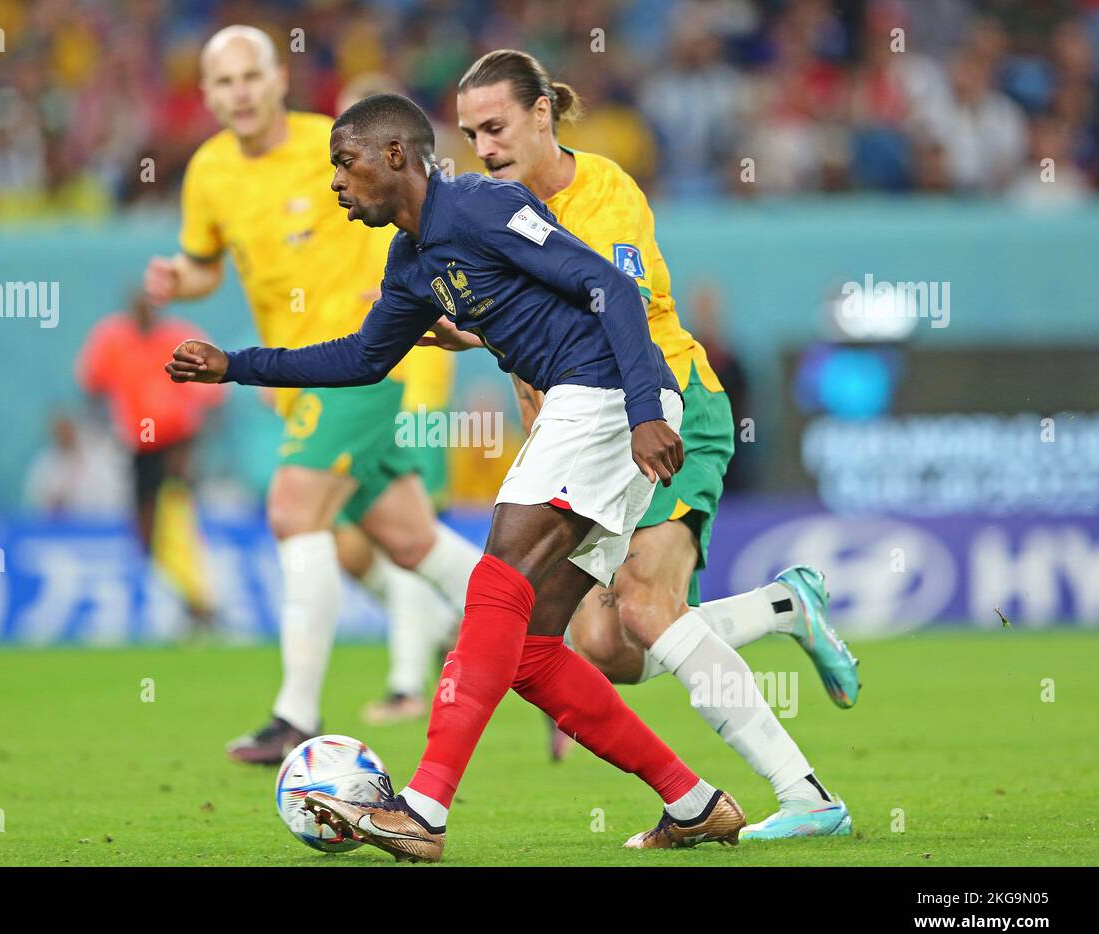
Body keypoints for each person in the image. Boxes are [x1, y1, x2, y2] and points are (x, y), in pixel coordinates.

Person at [166, 92, 746, 861]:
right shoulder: (409, 265)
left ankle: (426, 809)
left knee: (493, 585)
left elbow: (606, 284)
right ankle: (694, 802)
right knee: (533, 651)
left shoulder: (479, 205)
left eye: (346, 162)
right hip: (588, 405)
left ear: (397, 156)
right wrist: (234, 367)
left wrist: (644, 407)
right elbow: (361, 359)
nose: (337, 182)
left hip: (603, 394)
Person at [426, 49, 857, 840]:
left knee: (646, 605)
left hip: (665, 408)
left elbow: (606, 326)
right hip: (586, 438)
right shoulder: (491, 213)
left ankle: (806, 798)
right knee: (607, 647)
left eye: (496, 128)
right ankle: (783, 606)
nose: (482, 149)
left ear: (542, 115)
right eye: (469, 134)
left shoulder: (604, 196)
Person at [144, 26, 477, 763]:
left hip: (360, 362)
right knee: (408, 539)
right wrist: (179, 279)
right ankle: (538, 624)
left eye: (251, 76)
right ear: (207, 94)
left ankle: (295, 715)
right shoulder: (208, 172)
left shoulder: (329, 143)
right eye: (223, 81)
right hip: (301, 380)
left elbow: (416, 195)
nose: (240, 92)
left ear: (277, 80)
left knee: (293, 508)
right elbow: (205, 265)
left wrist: (404, 282)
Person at [76, 289, 223, 626]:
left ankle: (202, 603)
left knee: (175, 523)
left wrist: (191, 449)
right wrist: (100, 433)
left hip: (175, 447)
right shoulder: (111, 339)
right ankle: (194, 603)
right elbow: (93, 388)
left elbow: (213, 395)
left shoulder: (180, 340)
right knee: (145, 533)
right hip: (139, 448)